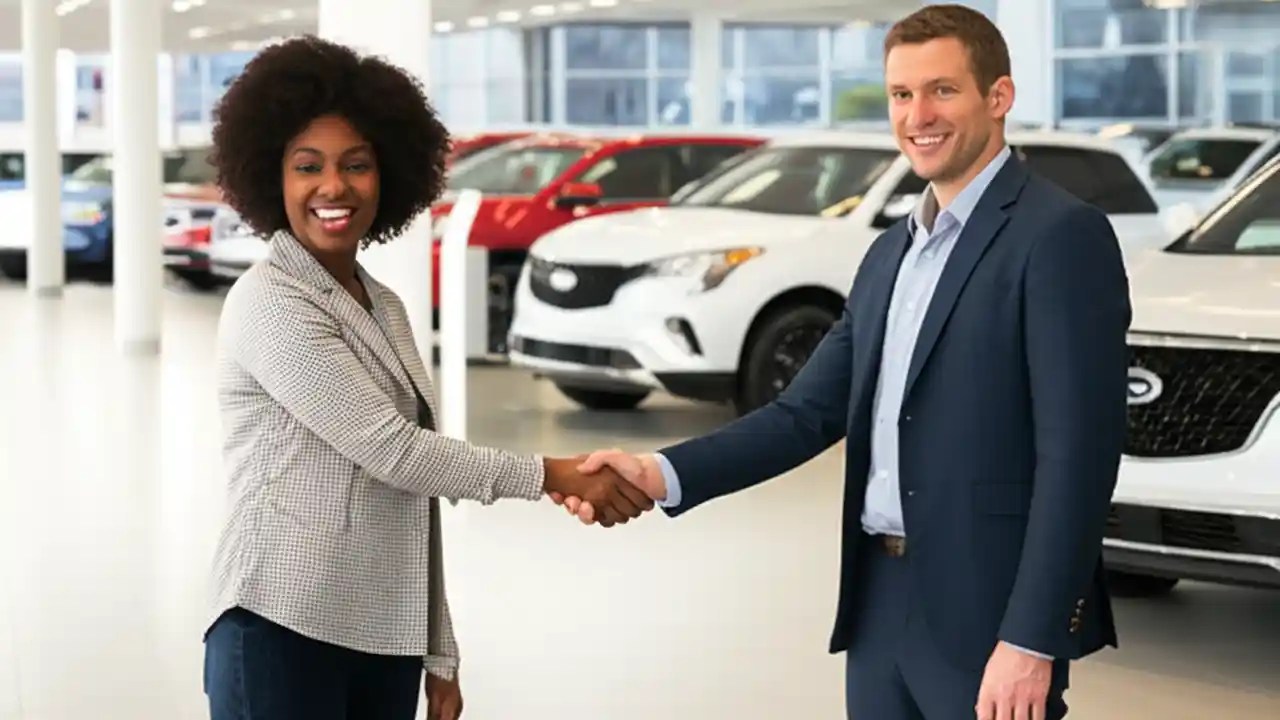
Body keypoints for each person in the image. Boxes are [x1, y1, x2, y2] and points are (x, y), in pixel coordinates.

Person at [559, 5, 1130, 720]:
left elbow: (1077, 456)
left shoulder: (1060, 237)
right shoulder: (890, 253)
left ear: (999, 97)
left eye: (942, 90)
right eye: (900, 94)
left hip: (989, 611)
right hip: (878, 602)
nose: (917, 114)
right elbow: (805, 414)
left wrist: (1032, 637)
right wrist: (662, 472)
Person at [200, 36, 652, 720]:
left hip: (381, 638)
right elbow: (396, 452)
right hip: (280, 626)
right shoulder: (270, 302)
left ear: (388, 176)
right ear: (271, 176)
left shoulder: (383, 305)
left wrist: (438, 652)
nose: (333, 187)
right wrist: (555, 474)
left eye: (357, 165)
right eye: (307, 167)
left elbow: (407, 501)